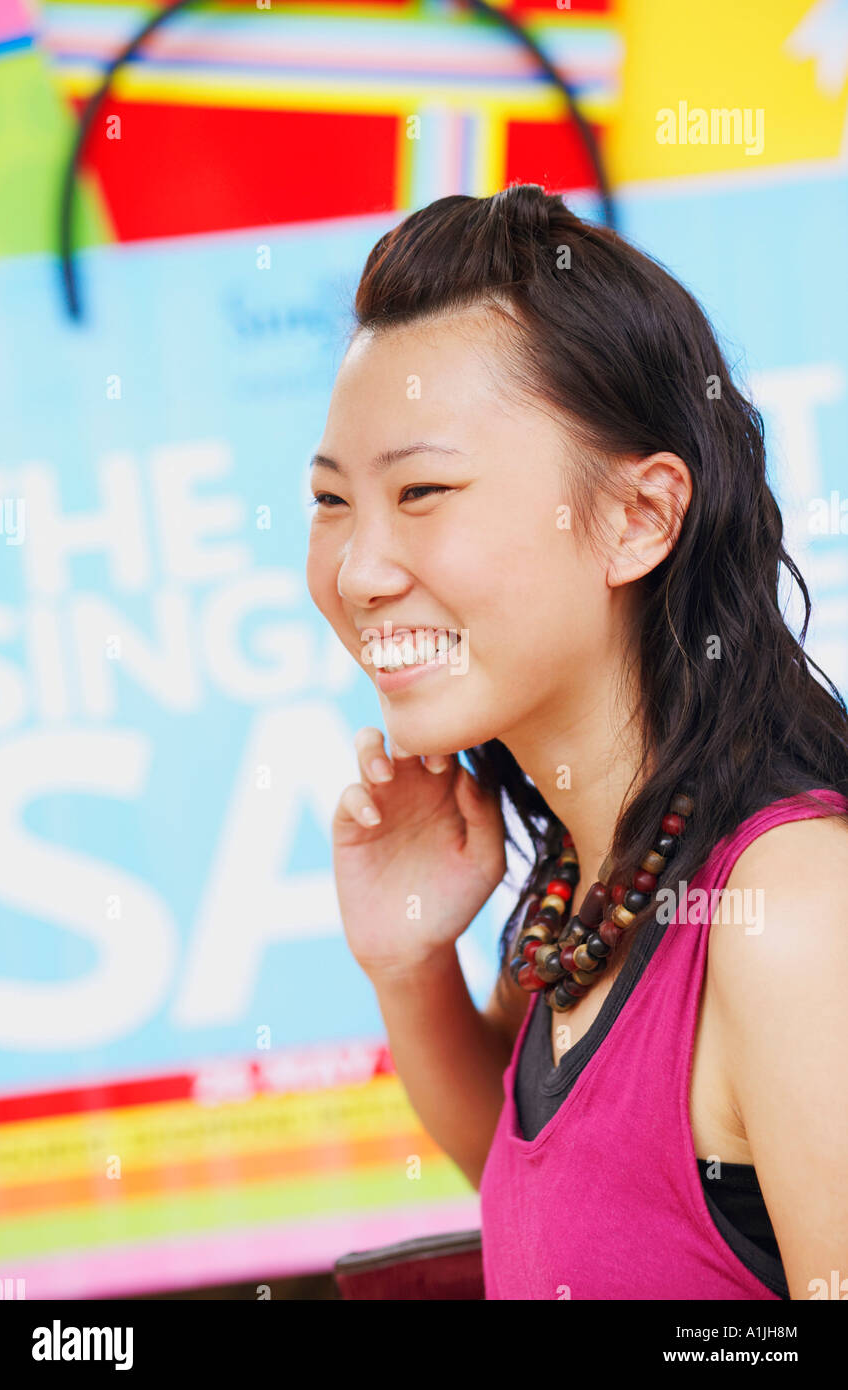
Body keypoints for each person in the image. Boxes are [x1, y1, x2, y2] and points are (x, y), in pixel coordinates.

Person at [305, 182, 848, 1300]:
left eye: (422, 490)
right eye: (330, 501)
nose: (359, 571)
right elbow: (558, 1204)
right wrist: (408, 964)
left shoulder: (789, 913)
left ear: (636, 517)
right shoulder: (586, 885)